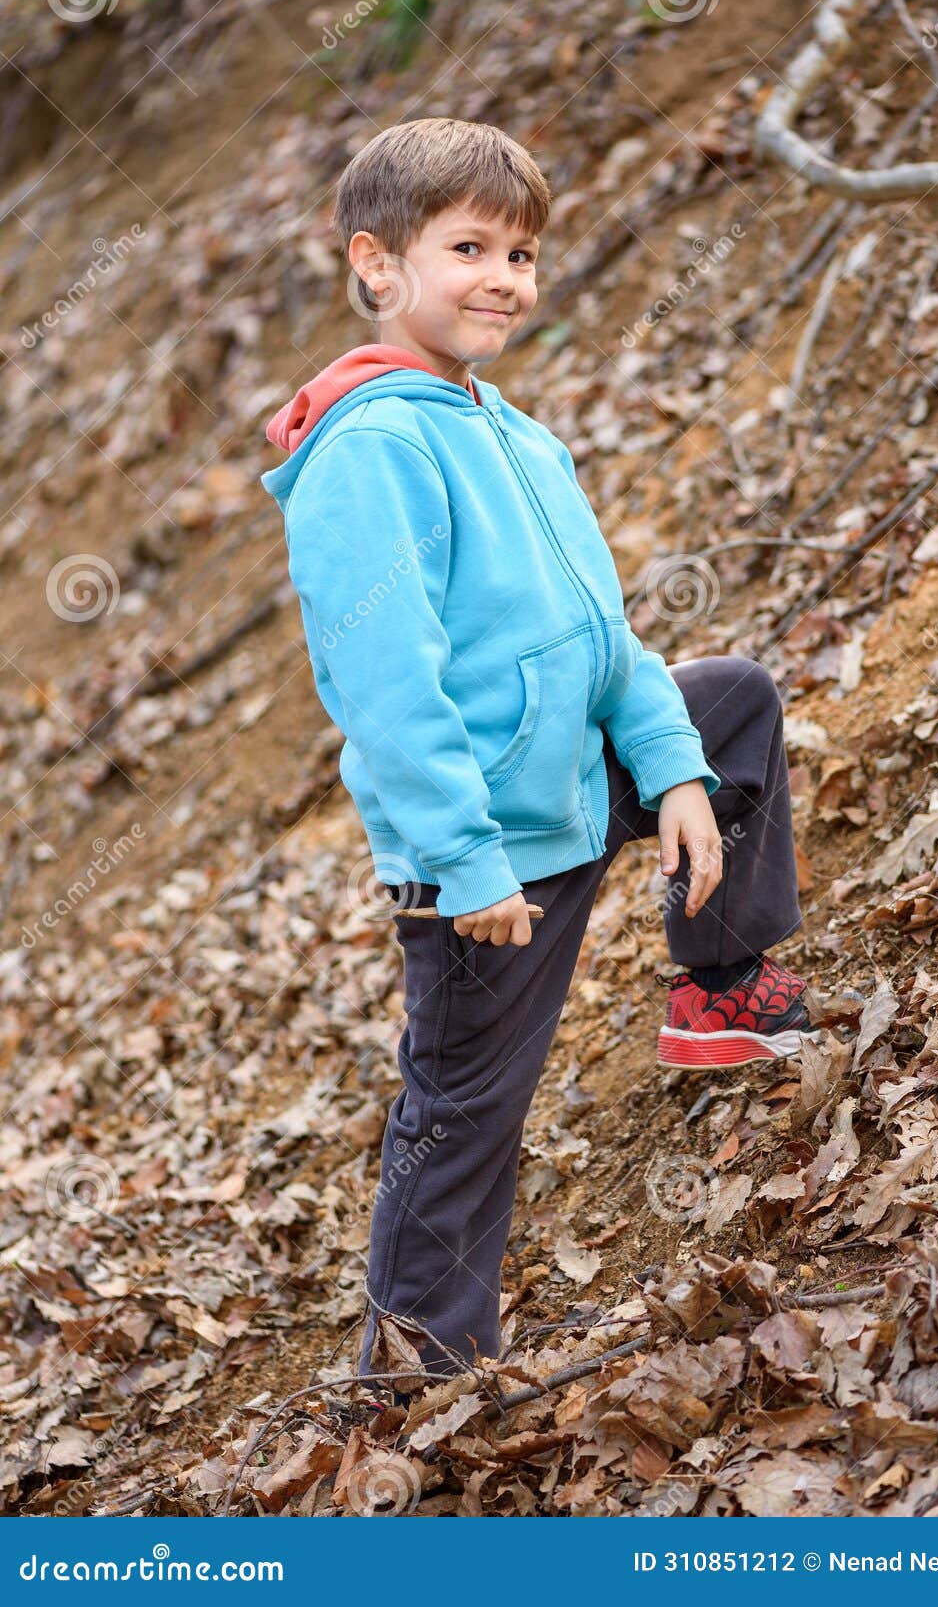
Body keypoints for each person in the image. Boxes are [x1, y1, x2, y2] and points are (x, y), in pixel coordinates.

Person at [261, 117, 814, 1393]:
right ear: (377, 264)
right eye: (469, 247)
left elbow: (598, 630)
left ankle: (722, 993)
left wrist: (673, 769)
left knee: (727, 700)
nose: (505, 276)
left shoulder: (506, 427)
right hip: (486, 859)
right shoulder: (373, 450)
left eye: (521, 251)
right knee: (463, 1120)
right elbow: (386, 686)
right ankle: (415, 1383)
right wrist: (462, 862)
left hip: (572, 774)